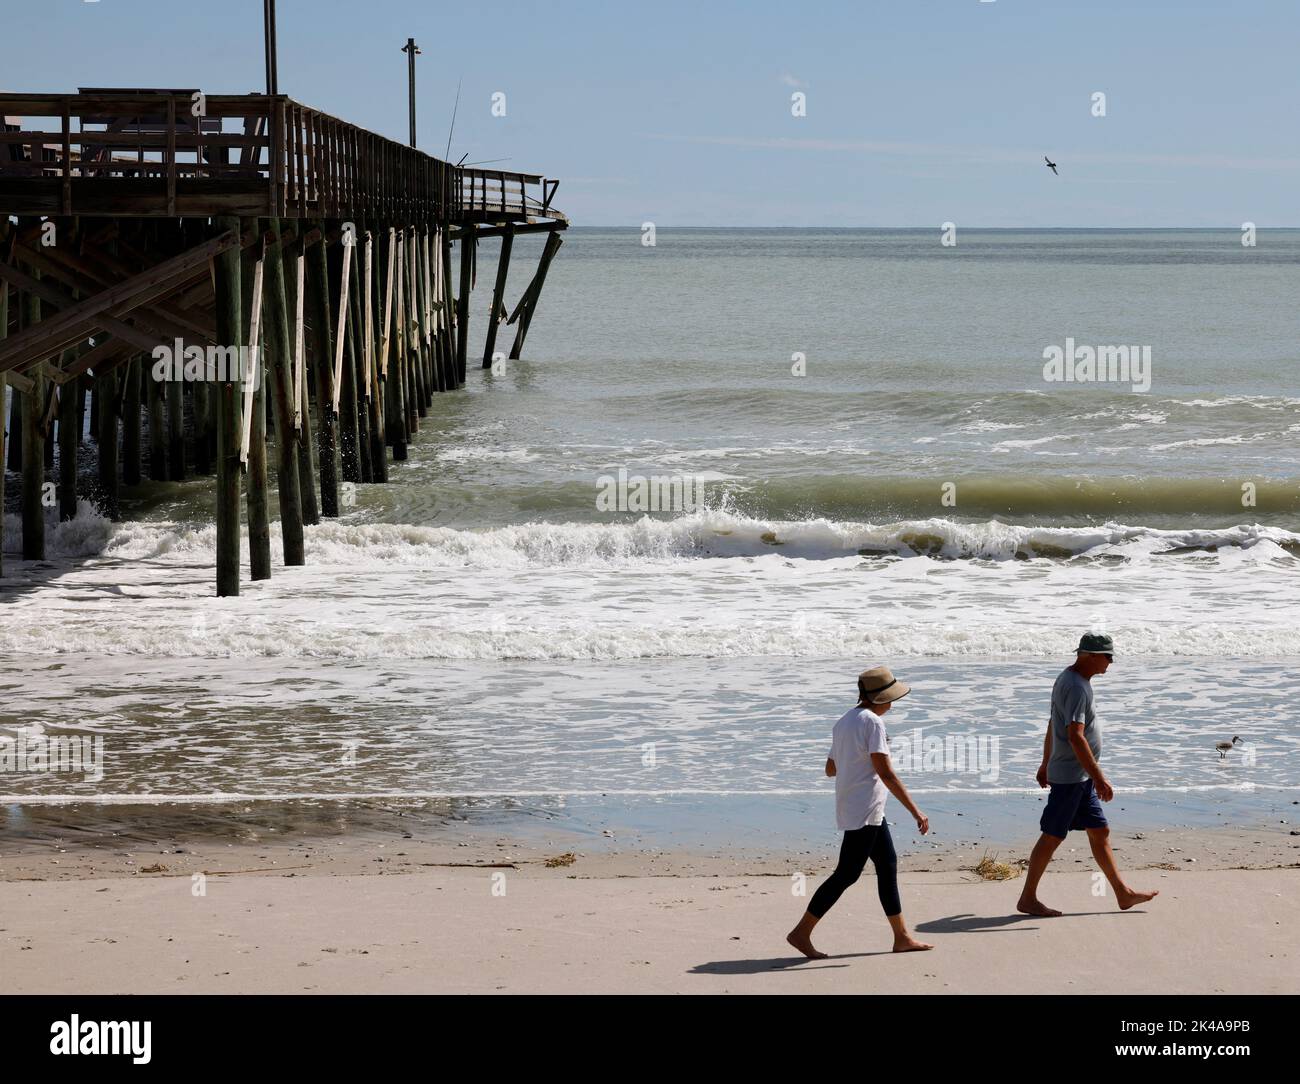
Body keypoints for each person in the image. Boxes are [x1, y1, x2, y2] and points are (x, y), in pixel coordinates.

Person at [786, 666, 933, 959]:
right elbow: (886, 773)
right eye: (891, 698)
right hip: (865, 809)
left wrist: (854, 761)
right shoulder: (873, 723)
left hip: (859, 807)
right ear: (880, 699)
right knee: (846, 874)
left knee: (886, 865)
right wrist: (916, 811)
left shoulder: (844, 721)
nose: (893, 703)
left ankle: (901, 936)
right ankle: (801, 932)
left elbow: (830, 769)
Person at [1016, 632, 1159, 916]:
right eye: (1107, 656)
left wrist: (1045, 762)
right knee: (1052, 835)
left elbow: (1051, 723)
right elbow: (1075, 736)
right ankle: (1028, 898)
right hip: (1072, 776)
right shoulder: (1077, 687)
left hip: (1077, 775)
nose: (1110, 662)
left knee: (1100, 830)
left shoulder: (1069, 679)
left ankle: (1123, 893)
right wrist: (1099, 776)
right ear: (1090, 656)